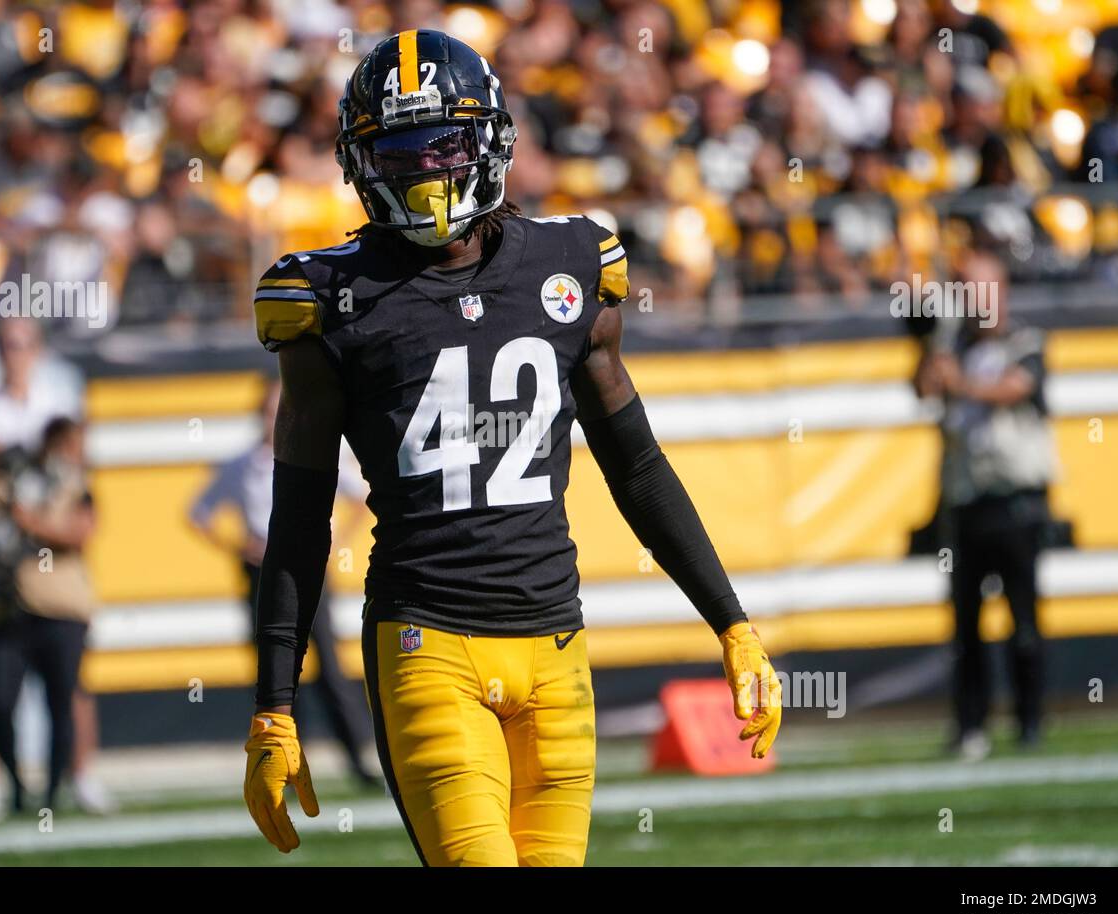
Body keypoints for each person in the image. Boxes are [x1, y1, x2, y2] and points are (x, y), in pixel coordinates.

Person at [241, 30, 782, 867]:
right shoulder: (328, 300)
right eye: (399, 153)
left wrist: (732, 622)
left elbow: (635, 463)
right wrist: (276, 700)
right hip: (430, 644)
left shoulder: (572, 268)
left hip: (558, 647)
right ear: (360, 162)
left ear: (490, 140)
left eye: (443, 145)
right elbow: (301, 511)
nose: (424, 173)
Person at [0, 316, 112, 817]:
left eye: (21, 344)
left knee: (68, 685)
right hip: (2, 569)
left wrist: (20, 471)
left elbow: (73, 465)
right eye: (6, 345)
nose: (13, 354)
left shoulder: (58, 396)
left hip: (54, 573)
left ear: (36, 349)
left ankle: (80, 775)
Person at [190, 380, 376, 785]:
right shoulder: (242, 463)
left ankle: (357, 758)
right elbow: (198, 514)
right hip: (264, 572)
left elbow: (359, 497)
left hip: (309, 566)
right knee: (278, 674)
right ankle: (286, 761)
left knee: (328, 666)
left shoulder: (316, 453)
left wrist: (336, 542)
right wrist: (241, 545)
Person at [914, 250, 1056, 761]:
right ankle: (969, 724)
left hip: (1016, 499)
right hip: (967, 500)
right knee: (965, 624)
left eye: (980, 288)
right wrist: (934, 349)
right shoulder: (953, 344)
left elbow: (1016, 388)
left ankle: (1030, 721)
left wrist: (962, 383)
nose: (973, 301)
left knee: (1023, 618)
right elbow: (923, 388)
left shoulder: (1025, 340)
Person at [0, 416, 96, 812]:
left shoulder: (76, 487)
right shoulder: (16, 481)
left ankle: (51, 795)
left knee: (60, 702)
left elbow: (80, 533)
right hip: (8, 610)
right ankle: (14, 783)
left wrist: (29, 521)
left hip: (61, 609)